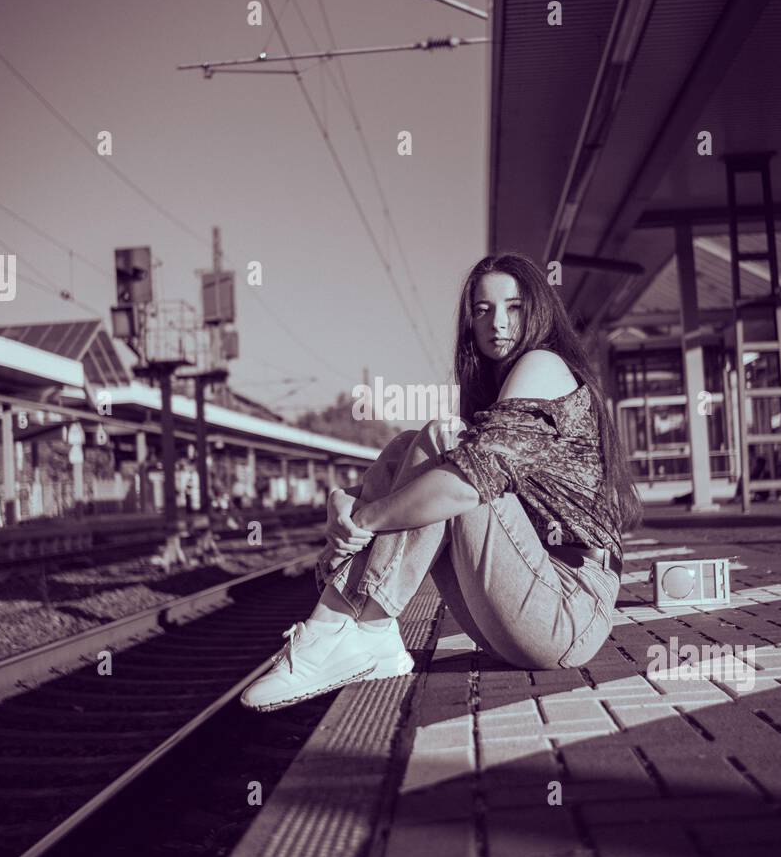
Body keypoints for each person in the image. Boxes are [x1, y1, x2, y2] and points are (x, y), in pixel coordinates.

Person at [241, 253, 643, 713]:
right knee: (407, 446)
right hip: (515, 611)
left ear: (539, 310)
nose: (498, 322)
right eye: (483, 309)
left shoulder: (544, 364)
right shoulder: (497, 390)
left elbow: (465, 487)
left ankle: (354, 627)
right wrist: (341, 502)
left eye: (514, 307)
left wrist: (366, 518)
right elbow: (431, 480)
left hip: (566, 610)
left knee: (443, 441)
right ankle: (346, 630)